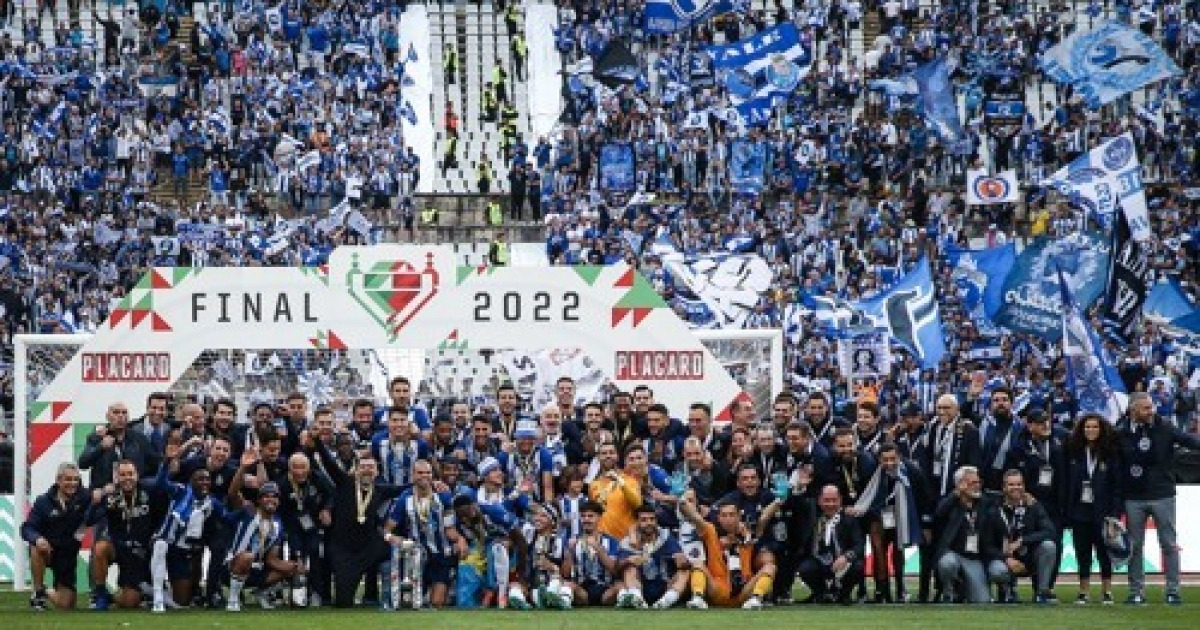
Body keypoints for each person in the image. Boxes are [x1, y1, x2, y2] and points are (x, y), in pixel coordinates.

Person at [1115, 392, 1200, 605]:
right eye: (1145, 408)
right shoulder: (1121, 432)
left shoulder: (1164, 427)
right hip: (1133, 496)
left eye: (1150, 407)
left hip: (1163, 493)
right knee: (1134, 546)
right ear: (1133, 410)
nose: (1150, 411)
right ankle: (1136, 592)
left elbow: (1189, 441)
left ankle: (1173, 591)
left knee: (1169, 544)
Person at [305, 429, 403, 608]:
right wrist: (318, 441)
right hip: (344, 550)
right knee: (343, 603)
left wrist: (429, 481)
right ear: (356, 469)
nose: (367, 470)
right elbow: (329, 464)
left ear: (376, 471)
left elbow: (403, 488)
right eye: (363, 467)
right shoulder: (345, 483)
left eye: (371, 467)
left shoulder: (381, 489)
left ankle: (385, 595)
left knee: (391, 549)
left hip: (368, 547)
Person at [848, 442, 931, 603]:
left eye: (892, 459)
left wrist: (926, 524)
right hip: (878, 517)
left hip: (903, 516)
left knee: (898, 552)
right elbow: (867, 495)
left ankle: (900, 588)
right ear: (879, 459)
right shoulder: (873, 473)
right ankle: (882, 590)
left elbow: (924, 497)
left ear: (899, 457)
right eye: (885, 459)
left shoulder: (912, 472)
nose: (889, 463)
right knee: (878, 551)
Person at [678, 488, 777, 610]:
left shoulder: (748, 533)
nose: (728, 519)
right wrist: (681, 499)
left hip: (744, 592)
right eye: (724, 515)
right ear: (718, 518)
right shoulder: (710, 531)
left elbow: (765, 517)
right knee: (697, 564)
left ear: (739, 516)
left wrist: (779, 500)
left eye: (731, 515)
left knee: (770, 567)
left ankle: (756, 599)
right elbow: (694, 517)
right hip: (716, 589)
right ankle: (697, 597)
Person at [88, 459, 165, 610]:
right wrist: (95, 502)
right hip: (118, 547)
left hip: (139, 552)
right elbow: (90, 520)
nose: (127, 478)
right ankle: (100, 594)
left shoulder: (149, 491)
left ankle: (114, 597)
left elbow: (162, 515)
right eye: (122, 475)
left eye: (130, 474)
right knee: (100, 548)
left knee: (129, 602)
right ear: (116, 477)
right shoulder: (111, 495)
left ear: (137, 475)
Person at [1064, 414, 1122, 606]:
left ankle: (1107, 591)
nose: (1090, 430)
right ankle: (1084, 591)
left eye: (1094, 427)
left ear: (1101, 429)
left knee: (1104, 553)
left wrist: (1114, 515)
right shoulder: (1074, 453)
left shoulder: (1110, 454)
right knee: (1083, 553)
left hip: (1103, 512)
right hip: (1080, 511)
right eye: (1087, 427)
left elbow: (1116, 487)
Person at [385, 459, 456, 608]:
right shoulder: (404, 499)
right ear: (412, 476)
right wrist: (392, 538)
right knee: (411, 603)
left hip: (440, 554)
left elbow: (450, 528)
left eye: (428, 472)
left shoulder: (444, 496)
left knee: (437, 603)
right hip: (415, 556)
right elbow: (387, 529)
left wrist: (459, 539)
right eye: (420, 473)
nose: (424, 476)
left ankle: (438, 591)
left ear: (432, 475)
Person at [224, 481, 305, 612]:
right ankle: (233, 600)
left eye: (275, 496)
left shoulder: (277, 523)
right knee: (247, 556)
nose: (271, 499)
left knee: (293, 568)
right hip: (232, 566)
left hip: (256, 569)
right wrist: (243, 468)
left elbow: (271, 560)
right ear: (259, 500)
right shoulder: (249, 511)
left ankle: (262, 592)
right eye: (266, 496)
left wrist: (295, 567)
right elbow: (232, 493)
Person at [23, 462, 90, 611]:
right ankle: (38, 594)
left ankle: (46, 591)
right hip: (48, 551)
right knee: (35, 548)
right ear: (58, 480)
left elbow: (99, 509)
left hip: (67, 558)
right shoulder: (43, 502)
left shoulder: (85, 498)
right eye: (68, 479)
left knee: (66, 605)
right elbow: (27, 528)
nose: (72, 483)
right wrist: (37, 538)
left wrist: (103, 493)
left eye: (75, 480)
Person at [984, 469, 1058, 604]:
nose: (1016, 488)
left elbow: (1050, 531)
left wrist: (1023, 541)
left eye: (1019, 484)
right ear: (1004, 487)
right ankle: (1007, 590)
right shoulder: (994, 508)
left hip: (1028, 557)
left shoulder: (1032, 505)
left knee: (1049, 546)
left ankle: (1042, 592)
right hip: (1002, 559)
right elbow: (986, 544)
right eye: (1012, 485)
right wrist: (1006, 559)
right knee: (997, 571)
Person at [448, 492, 530, 609]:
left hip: (519, 547)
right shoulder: (463, 521)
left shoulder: (494, 512)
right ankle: (476, 597)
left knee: (497, 547)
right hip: (489, 549)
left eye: (465, 514)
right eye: (460, 517)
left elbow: (521, 540)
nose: (464, 519)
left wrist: (522, 576)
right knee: (470, 557)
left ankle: (501, 595)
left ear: (473, 507)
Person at [933, 465, 1001, 603]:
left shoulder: (985, 504)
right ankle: (948, 590)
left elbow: (1002, 501)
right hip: (953, 554)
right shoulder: (951, 503)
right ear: (961, 485)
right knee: (947, 563)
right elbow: (939, 514)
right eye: (973, 483)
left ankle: (963, 589)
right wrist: (956, 494)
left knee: (982, 601)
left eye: (978, 482)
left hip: (974, 558)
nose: (977, 486)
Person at [796, 484, 866, 604]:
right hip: (819, 562)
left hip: (843, 563)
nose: (830, 504)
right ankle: (821, 593)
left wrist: (846, 557)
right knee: (805, 568)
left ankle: (844, 594)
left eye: (834, 500)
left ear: (840, 500)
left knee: (858, 566)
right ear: (819, 501)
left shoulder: (849, 519)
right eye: (826, 500)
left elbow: (859, 545)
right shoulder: (814, 518)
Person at [615, 505, 689, 609]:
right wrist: (628, 560)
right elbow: (616, 568)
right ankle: (637, 599)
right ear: (636, 523)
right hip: (640, 586)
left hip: (664, 586)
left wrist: (682, 560)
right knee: (629, 568)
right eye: (644, 520)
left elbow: (679, 558)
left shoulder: (666, 536)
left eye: (652, 519)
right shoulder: (627, 542)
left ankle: (666, 601)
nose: (649, 523)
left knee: (684, 571)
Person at [564, 500, 623, 606]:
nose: (586, 519)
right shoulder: (573, 541)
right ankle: (560, 602)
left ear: (599, 518)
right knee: (567, 585)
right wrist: (569, 551)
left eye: (590, 516)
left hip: (606, 590)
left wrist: (598, 549)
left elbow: (614, 570)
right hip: (582, 591)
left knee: (620, 586)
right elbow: (565, 574)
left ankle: (628, 602)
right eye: (583, 516)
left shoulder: (611, 541)